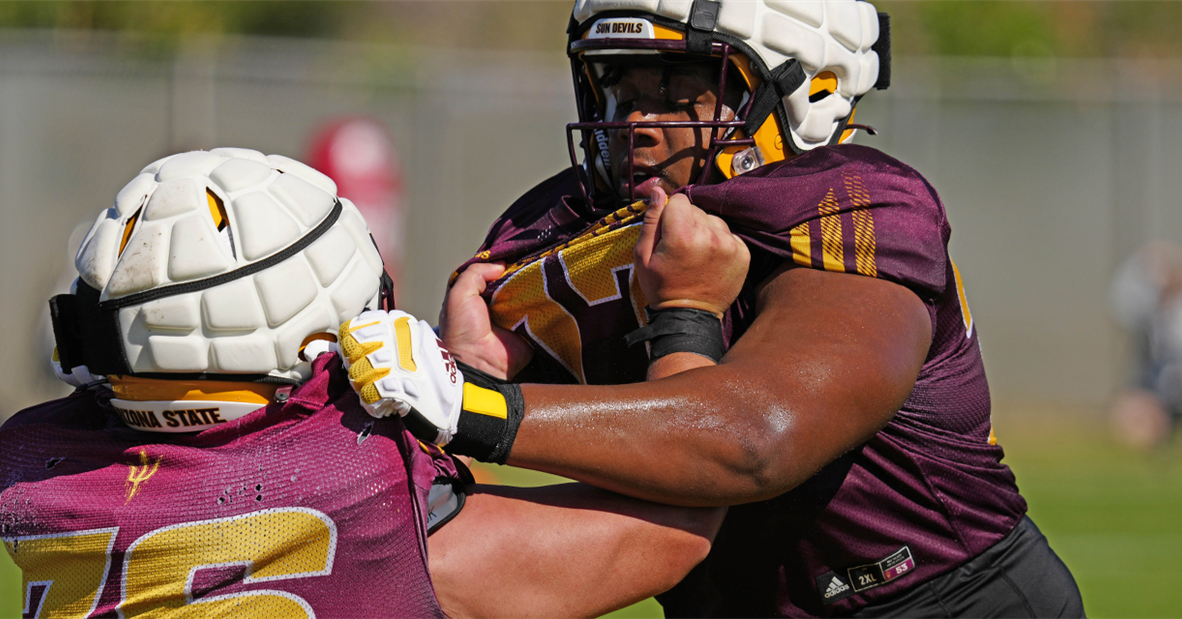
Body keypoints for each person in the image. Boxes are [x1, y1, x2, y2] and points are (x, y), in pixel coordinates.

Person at [345, 1, 1086, 617]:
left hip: (941, 599)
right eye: (622, 87)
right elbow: (624, 517)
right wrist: (466, 368)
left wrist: (473, 405)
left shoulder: (853, 204)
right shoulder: (554, 230)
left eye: (678, 89)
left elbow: (755, 437)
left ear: (806, 86)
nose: (637, 120)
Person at [1, 148, 727, 619]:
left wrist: (465, 377)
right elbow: (681, 519)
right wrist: (688, 311)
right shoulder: (362, 492)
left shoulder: (33, 467)